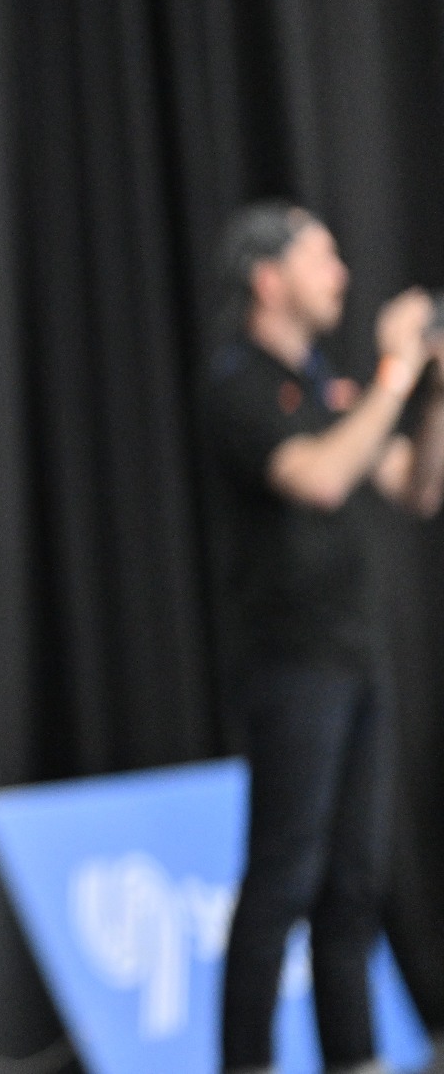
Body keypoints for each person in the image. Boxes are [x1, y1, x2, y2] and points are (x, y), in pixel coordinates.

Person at [208, 203, 444, 1074]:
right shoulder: (237, 383)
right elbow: (319, 477)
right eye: (323, 256)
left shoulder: (322, 384)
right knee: (282, 882)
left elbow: (414, 487)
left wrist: (432, 391)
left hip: (357, 659)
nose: (341, 272)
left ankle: (356, 1060)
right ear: (269, 279)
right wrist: (393, 368)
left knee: (356, 886)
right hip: (290, 664)